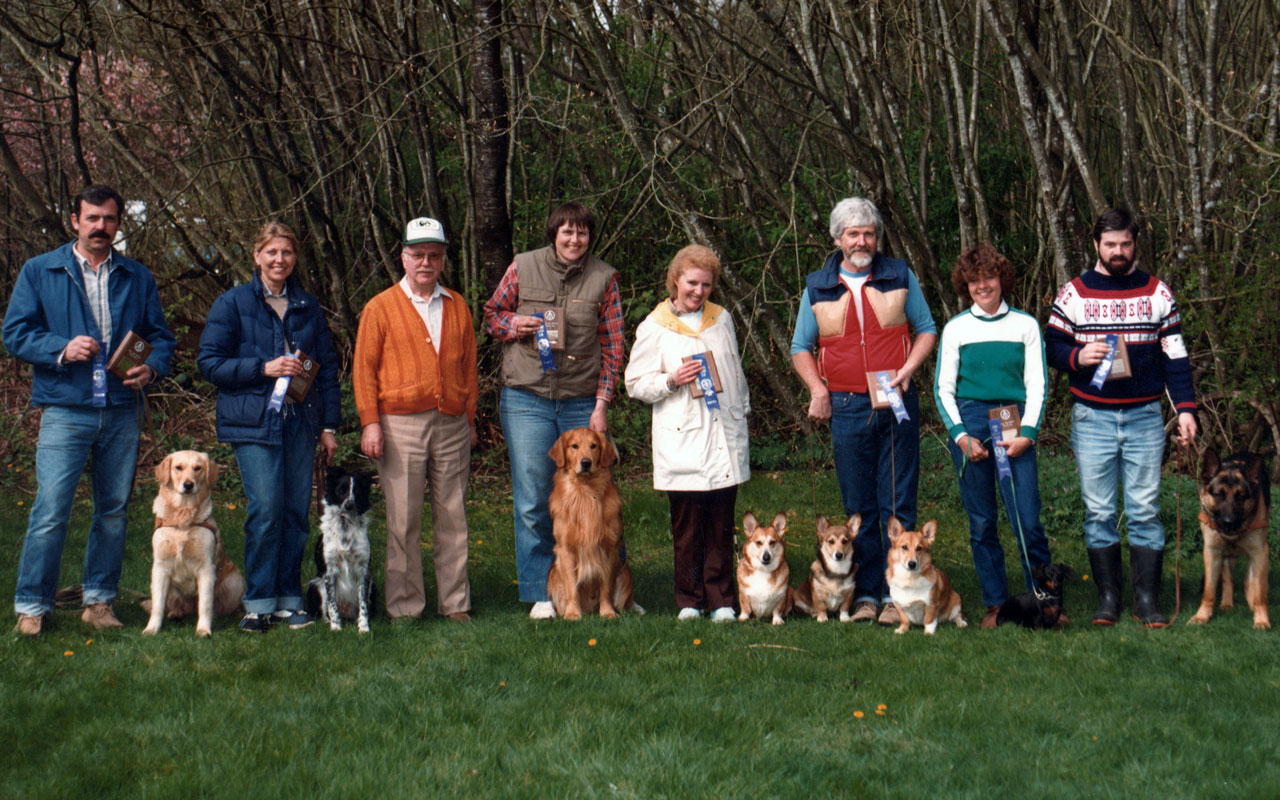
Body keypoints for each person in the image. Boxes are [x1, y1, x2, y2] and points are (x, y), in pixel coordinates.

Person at [4, 185, 176, 636]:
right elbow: (15, 332)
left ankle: (99, 601)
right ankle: (32, 605)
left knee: (114, 511)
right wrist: (60, 347)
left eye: (110, 219)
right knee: (50, 510)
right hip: (66, 408)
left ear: (119, 224)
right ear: (75, 221)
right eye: (93, 218)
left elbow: (161, 337)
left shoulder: (137, 277)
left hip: (120, 409)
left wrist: (151, 369)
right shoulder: (42, 270)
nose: (101, 227)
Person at [1046, 208, 1196, 628]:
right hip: (1092, 417)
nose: (1118, 251)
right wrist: (1078, 356)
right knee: (1098, 511)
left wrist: (1185, 408)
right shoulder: (1073, 294)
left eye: (1125, 244)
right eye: (1110, 244)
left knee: (1145, 508)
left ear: (1135, 244)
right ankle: (1108, 597)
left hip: (1145, 416)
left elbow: (1176, 356)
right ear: (1096, 245)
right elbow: (1052, 348)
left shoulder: (1157, 293)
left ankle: (1147, 599)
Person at [790, 196, 937, 626]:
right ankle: (868, 594)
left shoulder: (900, 275)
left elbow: (926, 329)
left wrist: (908, 370)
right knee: (859, 505)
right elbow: (801, 346)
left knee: (896, 500)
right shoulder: (817, 286)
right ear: (837, 239)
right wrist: (817, 388)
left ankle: (899, 598)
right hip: (847, 405)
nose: (862, 240)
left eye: (869, 232)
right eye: (853, 233)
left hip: (895, 401)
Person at [197, 221, 340, 632]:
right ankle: (259, 600)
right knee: (265, 510)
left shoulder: (308, 306)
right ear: (257, 255)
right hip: (253, 422)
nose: (280, 260)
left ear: (295, 259)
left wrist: (329, 425)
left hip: (301, 421)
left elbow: (326, 368)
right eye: (272, 252)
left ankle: (289, 598)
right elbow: (209, 364)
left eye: (287, 253)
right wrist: (264, 368)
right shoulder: (233, 303)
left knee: (296, 511)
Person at [484, 202, 624, 619]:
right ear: (554, 234)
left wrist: (601, 406)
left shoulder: (605, 278)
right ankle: (541, 594)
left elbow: (614, 348)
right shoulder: (522, 267)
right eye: (567, 232)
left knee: (601, 497)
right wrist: (515, 326)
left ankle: (609, 591)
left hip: (582, 400)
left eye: (582, 233)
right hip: (527, 398)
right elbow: (492, 316)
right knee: (532, 498)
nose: (574, 240)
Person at [353, 217, 477, 622]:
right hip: (398, 424)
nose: (426, 262)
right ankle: (405, 606)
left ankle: (455, 604)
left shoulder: (457, 306)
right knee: (404, 519)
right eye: (418, 254)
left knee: (453, 517)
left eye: (434, 255)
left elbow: (469, 370)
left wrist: (469, 418)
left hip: (451, 423)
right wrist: (370, 422)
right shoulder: (380, 307)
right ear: (403, 257)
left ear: (442, 260)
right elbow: (363, 370)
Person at [625, 245, 749, 622]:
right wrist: (670, 380)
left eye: (707, 285)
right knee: (688, 526)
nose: (699, 291)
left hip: (724, 435)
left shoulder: (722, 319)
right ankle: (689, 600)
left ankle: (722, 599)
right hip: (683, 438)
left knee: (720, 523)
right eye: (692, 282)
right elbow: (634, 383)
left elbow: (735, 374)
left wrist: (743, 413)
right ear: (676, 279)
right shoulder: (654, 326)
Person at [933, 243, 1052, 630]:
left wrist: (1028, 435)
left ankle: (1045, 600)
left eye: (989, 277)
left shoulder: (1025, 325)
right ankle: (996, 604)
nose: (982, 286)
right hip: (970, 419)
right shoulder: (956, 328)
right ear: (965, 285)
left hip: (1012, 417)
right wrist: (961, 437)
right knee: (982, 520)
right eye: (973, 280)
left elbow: (1037, 384)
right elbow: (943, 390)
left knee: (1027, 518)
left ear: (1002, 280)